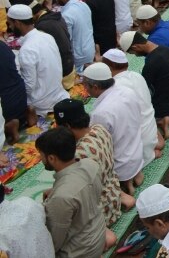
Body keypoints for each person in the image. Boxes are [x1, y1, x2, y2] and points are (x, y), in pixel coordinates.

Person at [53, 99, 125, 247]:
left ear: (66, 126)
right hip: (114, 192)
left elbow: (82, 195)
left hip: (102, 211)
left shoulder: (79, 154)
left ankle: (104, 237)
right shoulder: (99, 129)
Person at [35, 126, 106, 258]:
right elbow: (79, 189)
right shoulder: (91, 165)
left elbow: (55, 242)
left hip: (80, 252)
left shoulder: (61, 198)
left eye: (41, 155)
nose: (41, 159)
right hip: (98, 235)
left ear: (51, 158)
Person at [81, 61, 146, 192]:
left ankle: (126, 185)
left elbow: (102, 148)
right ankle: (135, 175)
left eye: (85, 85)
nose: (85, 89)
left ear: (94, 86)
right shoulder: (128, 91)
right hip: (137, 154)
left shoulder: (101, 113)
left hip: (121, 166)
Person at [8, 3, 68, 116]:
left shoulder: (27, 50)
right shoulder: (46, 36)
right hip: (58, 93)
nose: (10, 27)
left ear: (17, 23)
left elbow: (29, 86)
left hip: (41, 104)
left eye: (10, 23)